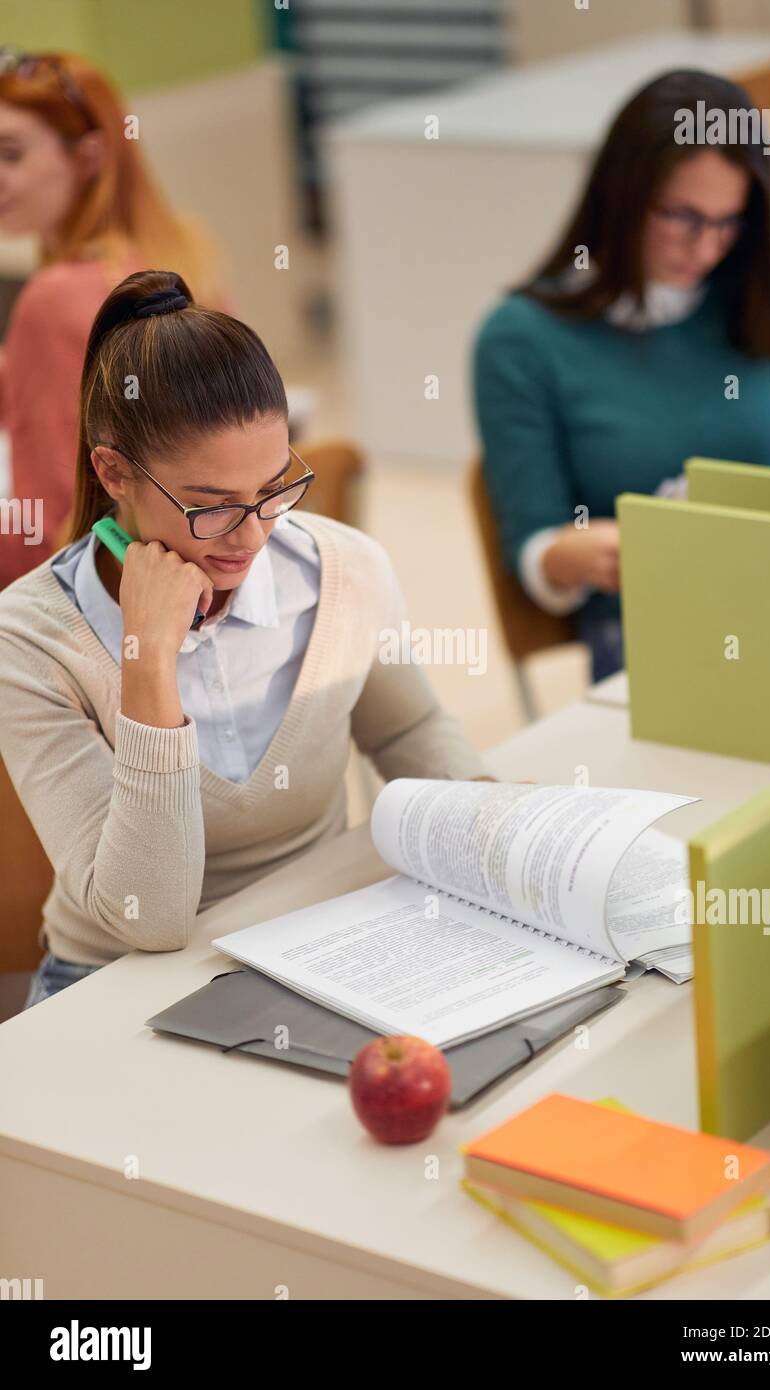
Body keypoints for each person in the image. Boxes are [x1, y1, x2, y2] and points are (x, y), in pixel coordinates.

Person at [0, 270, 489, 1006]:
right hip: (110, 986)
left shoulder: (343, 570)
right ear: (113, 473)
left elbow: (410, 727)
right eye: (212, 507)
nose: (254, 534)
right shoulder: (30, 640)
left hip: (310, 949)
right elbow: (150, 919)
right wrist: (148, 659)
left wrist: (497, 830)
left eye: (271, 490)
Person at [473, 69, 770, 684]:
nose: (706, 247)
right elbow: (535, 548)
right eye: (683, 216)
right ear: (621, 197)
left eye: (728, 222)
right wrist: (578, 554)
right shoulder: (522, 339)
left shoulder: (752, 298)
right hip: (645, 640)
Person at [0, 48, 224, 586]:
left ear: (88, 157)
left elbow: (47, 526)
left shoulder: (52, 300)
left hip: (89, 599)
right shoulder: (182, 253)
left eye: (9, 154)